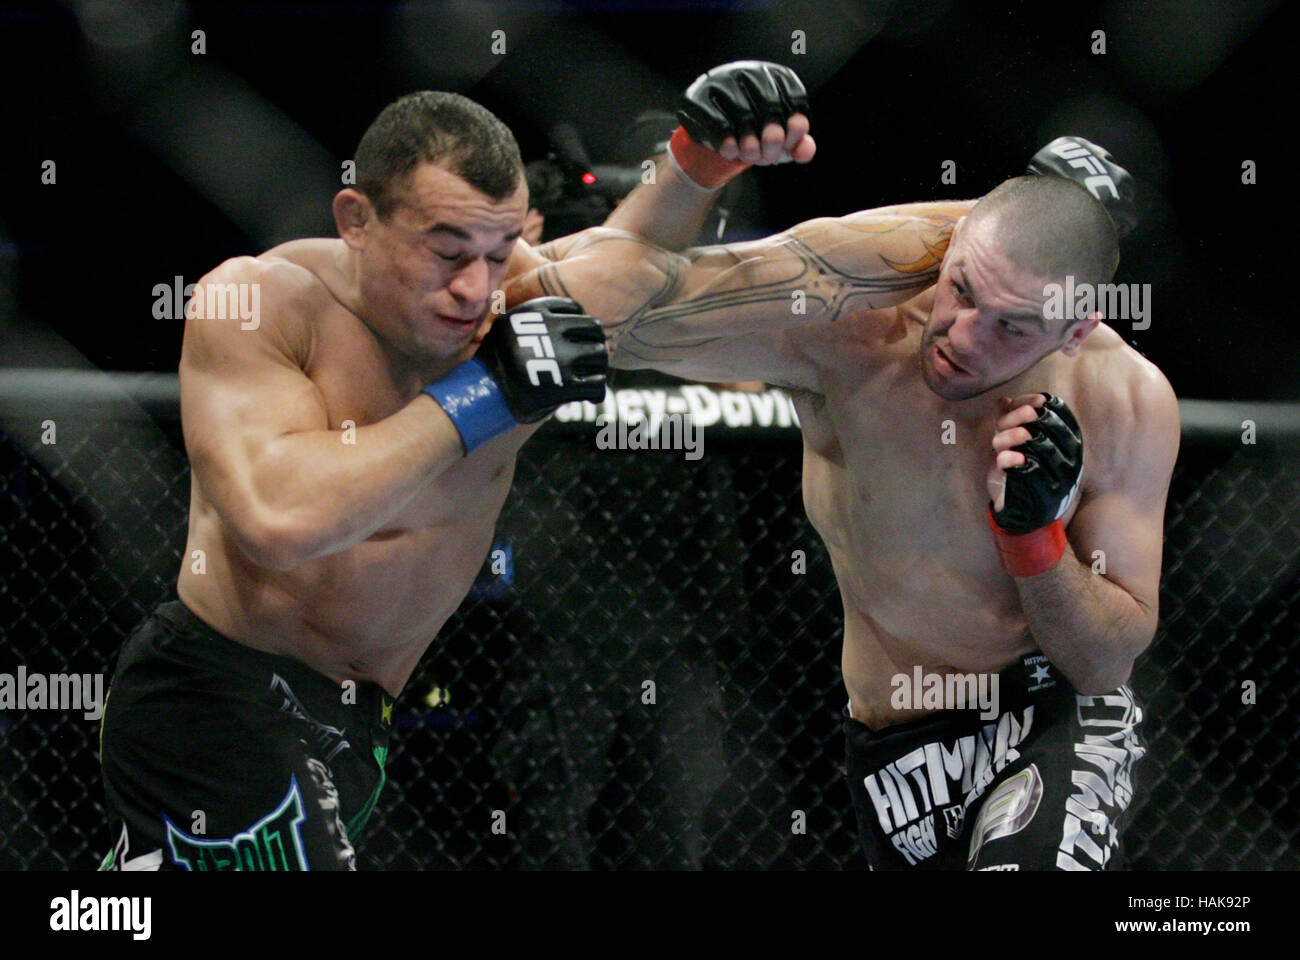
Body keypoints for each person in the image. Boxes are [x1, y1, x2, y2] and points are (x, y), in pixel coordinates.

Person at [98, 65, 816, 870]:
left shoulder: (513, 302)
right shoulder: (264, 302)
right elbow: (279, 519)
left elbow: (635, 257)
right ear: (357, 219)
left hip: (355, 720)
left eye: (499, 249)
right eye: (446, 253)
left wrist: (696, 164)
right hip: (219, 694)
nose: (474, 288)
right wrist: (483, 394)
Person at [507, 130, 1178, 870]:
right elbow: (624, 301)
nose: (964, 335)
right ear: (952, 244)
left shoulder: (1124, 399)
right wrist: (693, 162)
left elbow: (1103, 663)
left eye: (1012, 327)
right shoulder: (848, 324)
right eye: (962, 291)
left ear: (1077, 329)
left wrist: (1035, 537)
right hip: (892, 753)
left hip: (1046, 715)